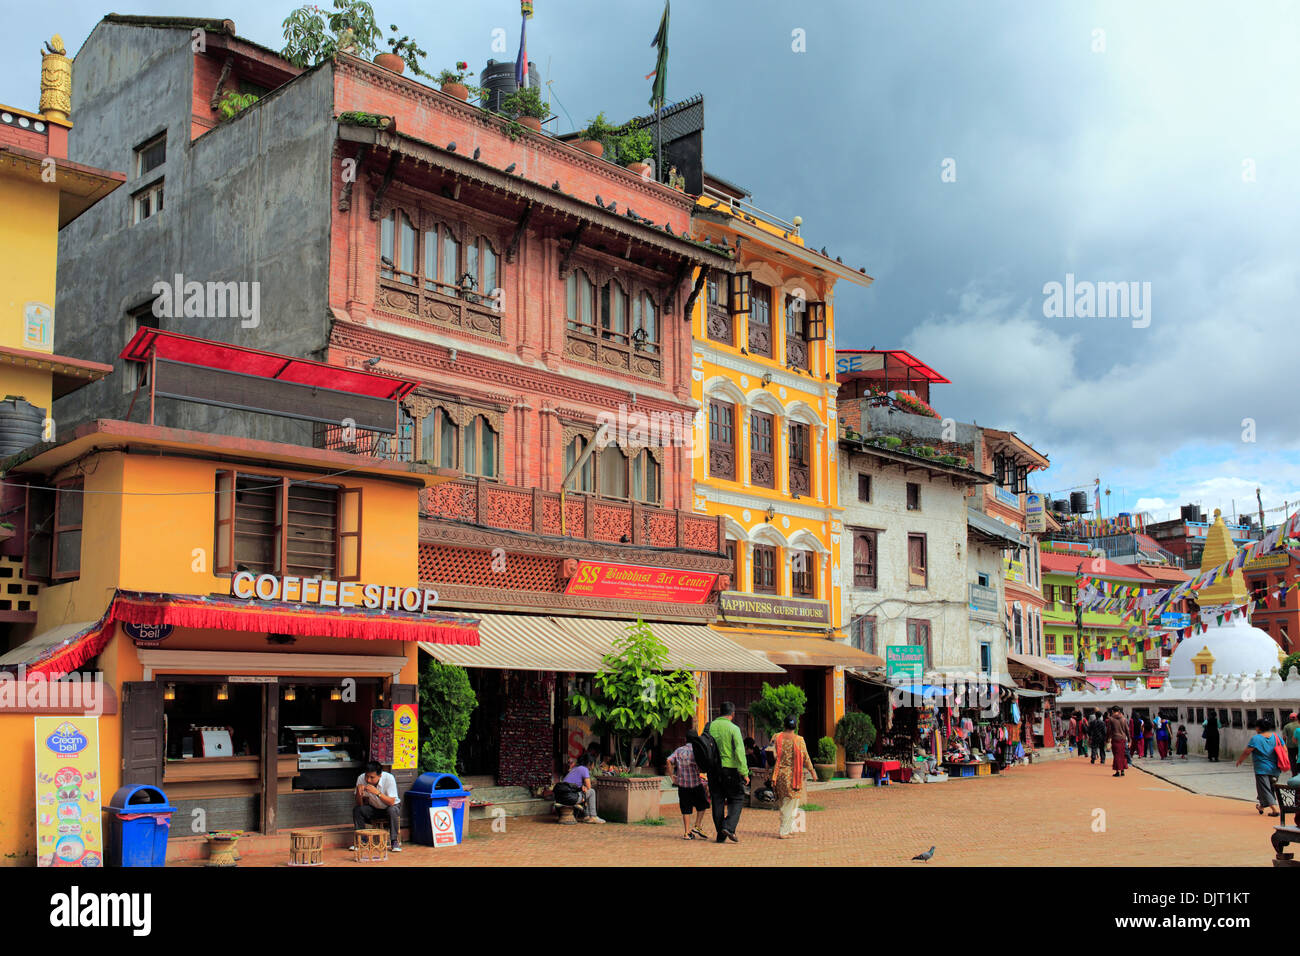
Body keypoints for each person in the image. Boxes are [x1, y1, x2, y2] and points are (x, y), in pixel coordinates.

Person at [706, 702, 749, 844]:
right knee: (737, 798)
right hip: (730, 769)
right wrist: (744, 772)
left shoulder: (709, 727)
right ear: (733, 714)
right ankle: (728, 827)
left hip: (713, 770)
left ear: (720, 712)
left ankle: (721, 834)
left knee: (717, 801)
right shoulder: (733, 728)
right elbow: (739, 751)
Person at [770, 715, 816, 840]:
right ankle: (784, 831)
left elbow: (770, 754)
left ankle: (788, 828)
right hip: (793, 776)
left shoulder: (776, 737)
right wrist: (813, 772)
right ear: (795, 726)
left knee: (785, 802)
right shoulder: (799, 740)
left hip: (779, 775)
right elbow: (805, 757)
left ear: (784, 725)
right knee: (790, 804)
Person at [1236, 717, 1284, 816]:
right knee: (1269, 788)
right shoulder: (1276, 736)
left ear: (1258, 728)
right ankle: (1261, 806)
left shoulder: (1256, 738)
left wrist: (1240, 760)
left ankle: (1275, 810)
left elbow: (1247, 751)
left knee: (1264, 789)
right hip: (1275, 768)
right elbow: (1285, 750)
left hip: (1262, 768)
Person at [352, 761, 402, 852]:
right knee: (358, 810)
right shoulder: (361, 778)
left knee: (392, 810)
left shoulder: (389, 778)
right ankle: (362, 841)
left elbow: (392, 802)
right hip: (374, 808)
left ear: (380, 776)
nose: (368, 780)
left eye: (372, 777)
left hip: (389, 807)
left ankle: (394, 841)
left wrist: (377, 793)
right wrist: (359, 793)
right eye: (367, 776)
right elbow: (359, 804)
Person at [667, 739, 710, 840]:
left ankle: (687, 832)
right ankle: (697, 825)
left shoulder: (679, 750)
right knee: (703, 804)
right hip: (695, 783)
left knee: (685, 808)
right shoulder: (696, 751)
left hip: (682, 784)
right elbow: (701, 766)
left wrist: (672, 776)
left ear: (686, 739)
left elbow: (668, 760)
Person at [557, 753, 606, 824]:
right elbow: (589, 787)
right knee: (591, 792)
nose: (594, 766)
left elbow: (576, 784)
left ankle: (587, 816)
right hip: (570, 797)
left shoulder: (575, 768)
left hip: (561, 797)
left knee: (585, 792)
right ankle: (593, 816)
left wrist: (583, 786)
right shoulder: (584, 769)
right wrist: (585, 787)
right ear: (589, 763)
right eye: (593, 764)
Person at [1107, 707, 1130, 777]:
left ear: (1113, 711)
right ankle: (1122, 770)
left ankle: (1117, 771)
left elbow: (1109, 730)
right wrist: (1129, 740)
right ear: (1119, 711)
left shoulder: (1111, 719)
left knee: (1116, 755)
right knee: (1122, 755)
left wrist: (1108, 739)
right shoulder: (1124, 719)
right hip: (1123, 738)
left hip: (1115, 738)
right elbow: (1127, 730)